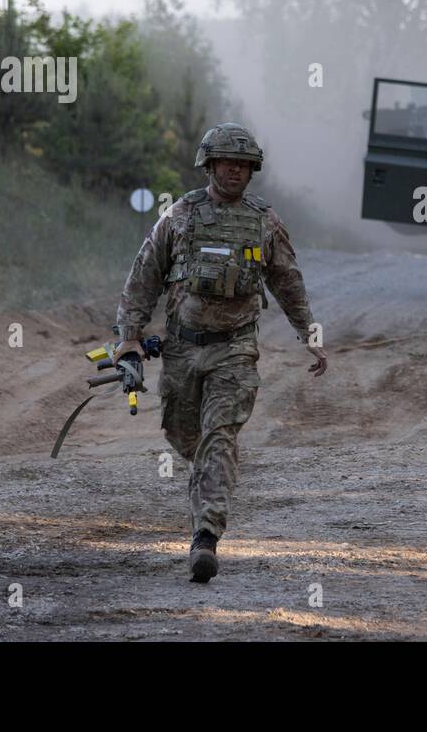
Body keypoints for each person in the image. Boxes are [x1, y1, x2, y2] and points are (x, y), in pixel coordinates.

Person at [113, 122, 327, 583]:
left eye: (244, 165)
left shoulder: (264, 222)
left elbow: (287, 280)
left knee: (220, 437)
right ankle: (212, 474)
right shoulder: (179, 217)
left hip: (235, 350)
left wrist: (308, 332)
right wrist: (129, 336)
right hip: (182, 350)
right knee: (183, 435)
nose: (236, 171)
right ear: (209, 165)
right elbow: (144, 276)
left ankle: (205, 538)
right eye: (228, 163)